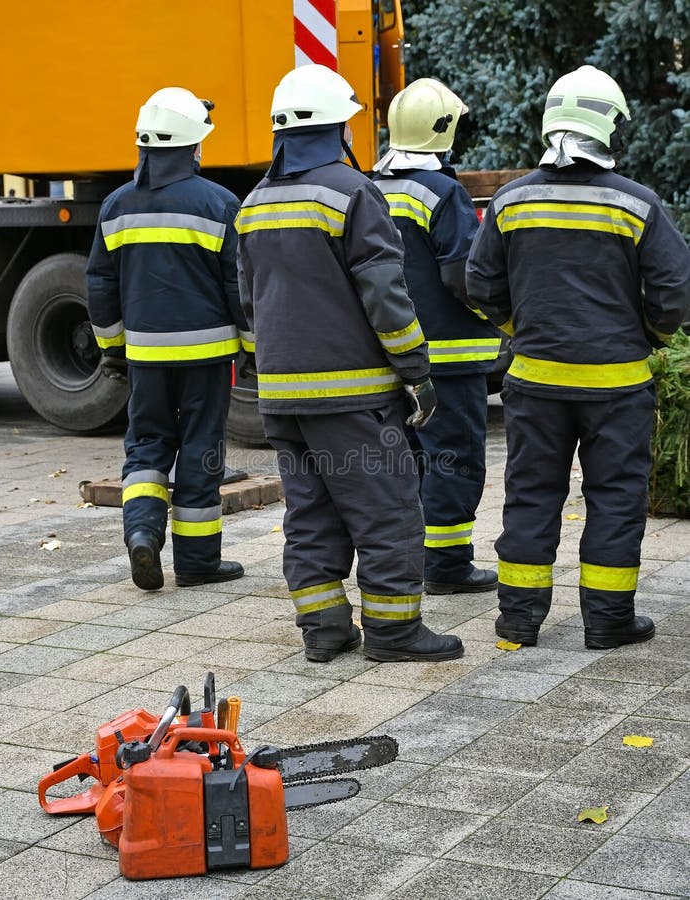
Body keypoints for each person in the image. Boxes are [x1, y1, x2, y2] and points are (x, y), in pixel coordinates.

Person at [235, 64, 464, 663]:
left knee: (310, 513)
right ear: (338, 128)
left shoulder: (254, 203)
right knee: (387, 510)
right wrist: (416, 370)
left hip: (281, 398)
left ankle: (325, 629)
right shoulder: (352, 192)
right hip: (354, 399)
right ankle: (394, 633)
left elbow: (249, 301)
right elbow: (385, 294)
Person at [465, 65, 690, 649]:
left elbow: (480, 283)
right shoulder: (637, 203)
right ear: (610, 127)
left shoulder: (512, 200)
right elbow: (674, 292)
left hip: (535, 383)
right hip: (617, 386)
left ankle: (519, 620)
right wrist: (650, 335)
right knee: (615, 498)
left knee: (532, 495)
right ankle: (608, 621)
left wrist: (520, 328)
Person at [87, 87, 250, 591]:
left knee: (146, 447)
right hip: (208, 358)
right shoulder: (220, 203)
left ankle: (141, 533)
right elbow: (238, 286)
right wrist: (251, 345)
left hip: (145, 357)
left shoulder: (115, 206)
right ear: (193, 146)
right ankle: (198, 563)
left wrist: (113, 348)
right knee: (201, 449)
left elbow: (100, 286)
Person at [372, 78, 500, 596]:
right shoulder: (443, 192)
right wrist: (498, 315)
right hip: (448, 359)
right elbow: (463, 276)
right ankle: (447, 565)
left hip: (388, 356)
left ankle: (408, 556)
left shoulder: (371, 188)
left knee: (406, 460)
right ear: (442, 132)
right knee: (453, 458)